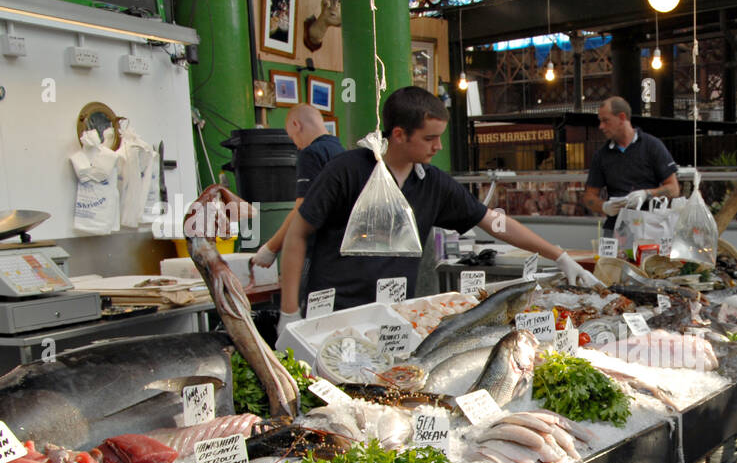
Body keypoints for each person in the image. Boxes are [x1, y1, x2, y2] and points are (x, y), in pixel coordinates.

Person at [276, 87, 600, 344]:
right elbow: (297, 235)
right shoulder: (347, 170)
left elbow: (494, 222)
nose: (438, 146)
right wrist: (289, 313)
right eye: (429, 138)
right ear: (400, 134)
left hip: (394, 316)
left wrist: (559, 256)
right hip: (333, 314)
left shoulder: (432, 182)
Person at [248, 104, 344, 285]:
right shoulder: (341, 151)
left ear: (295, 124)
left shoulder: (311, 153)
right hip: (338, 256)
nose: (296, 144)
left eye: (292, 137)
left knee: (308, 309)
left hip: (317, 255)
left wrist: (271, 248)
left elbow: (303, 208)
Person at [581, 97, 680, 232]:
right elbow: (589, 196)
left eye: (605, 121)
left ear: (622, 117)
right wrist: (604, 206)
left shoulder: (652, 145)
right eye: (600, 121)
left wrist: (647, 194)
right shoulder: (601, 155)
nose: (601, 127)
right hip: (615, 229)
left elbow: (674, 189)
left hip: (650, 228)